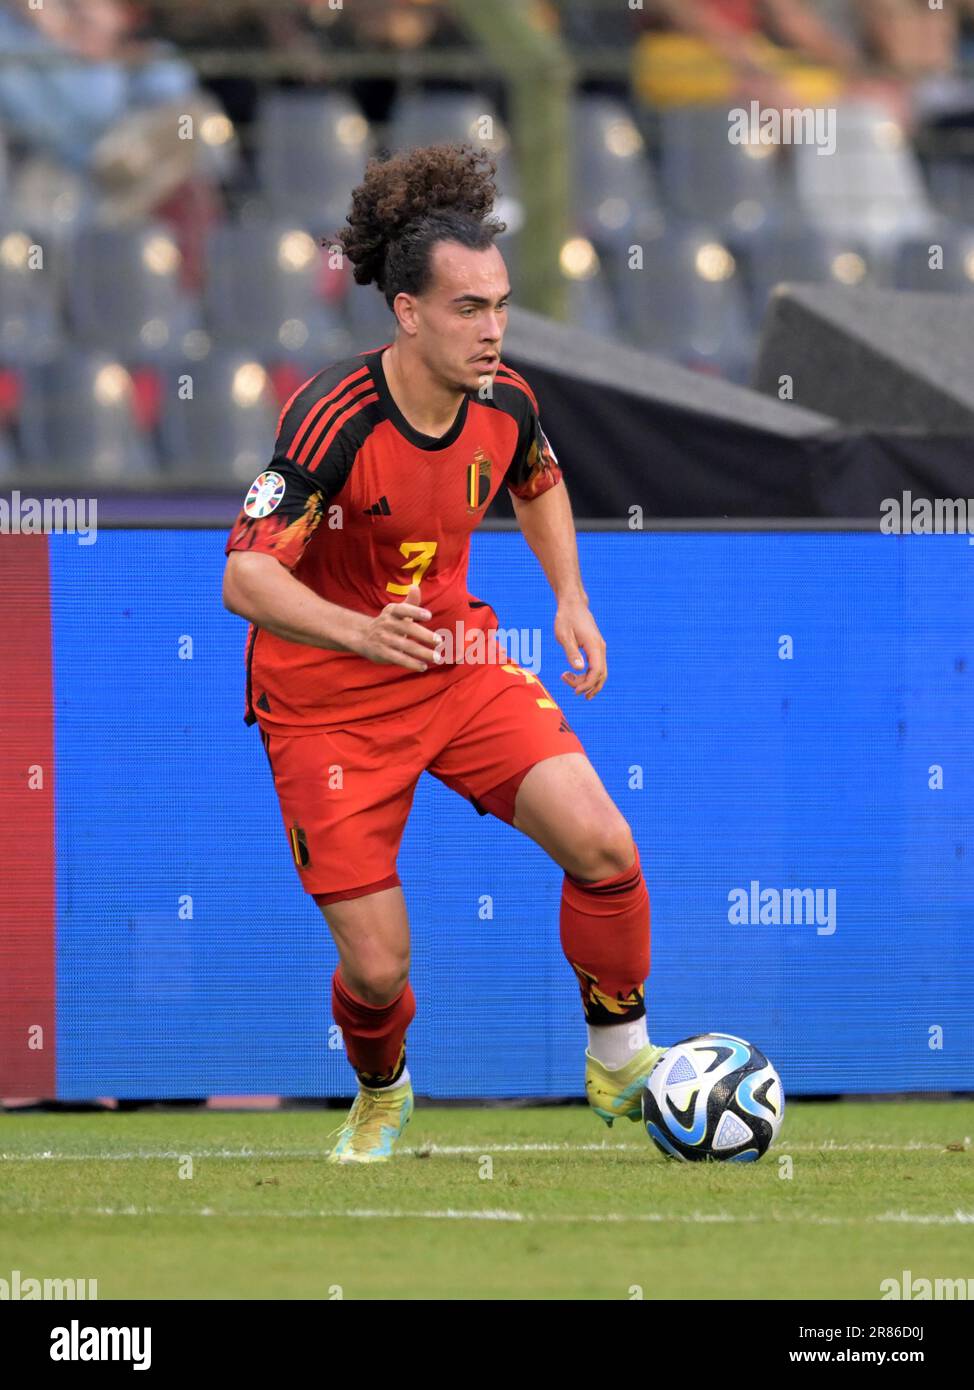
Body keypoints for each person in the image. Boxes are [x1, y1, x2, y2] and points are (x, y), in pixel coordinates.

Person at [222, 144, 665, 1164]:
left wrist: (569, 598)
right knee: (378, 971)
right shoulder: (332, 417)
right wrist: (358, 630)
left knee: (603, 846)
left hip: (454, 665)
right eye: (468, 308)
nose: (493, 328)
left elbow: (537, 479)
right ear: (407, 312)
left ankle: (618, 1056)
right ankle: (380, 1092)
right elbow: (245, 578)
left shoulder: (504, 398)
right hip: (326, 699)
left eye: (500, 303)